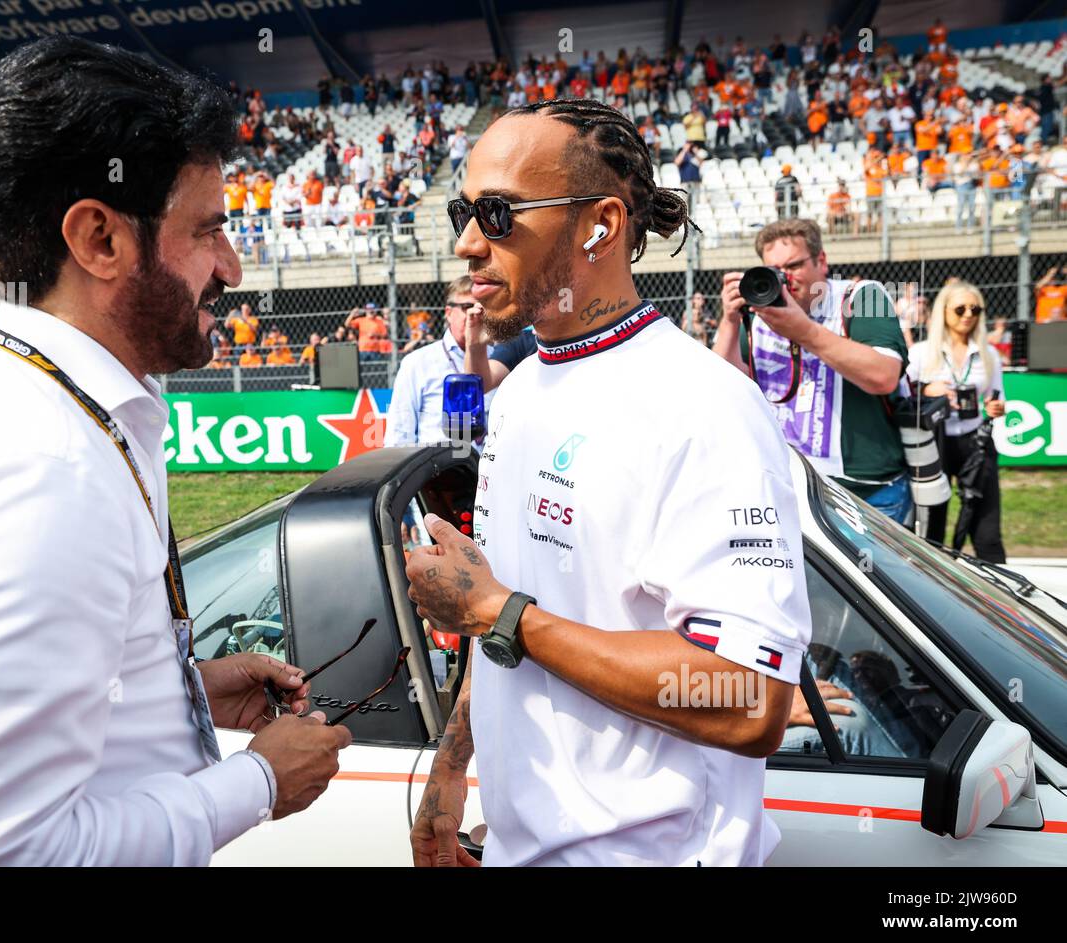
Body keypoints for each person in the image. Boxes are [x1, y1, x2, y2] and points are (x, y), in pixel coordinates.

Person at [0, 36, 348, 866]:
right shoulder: (39, 475)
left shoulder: (50, 414)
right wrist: (259, 784)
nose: (233, 267)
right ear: (100, 239)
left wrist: (177, 694)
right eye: (207, 231)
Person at [408, 99, 810, 868]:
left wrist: (499, 611)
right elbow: (507, 614)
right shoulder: (523, 386)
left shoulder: (703, 405)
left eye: (496, 213)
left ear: (600, 225)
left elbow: (750, 700)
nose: (465, 243)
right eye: (465, 210)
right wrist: (452, 768)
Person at [713, 219, 913, 525]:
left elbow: (884, 375)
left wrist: (803, 331)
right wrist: (729, 320)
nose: (785, 278)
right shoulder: (759, 311)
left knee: (863, 574)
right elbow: (723, 389)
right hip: (787, 487)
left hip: (863, 492)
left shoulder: (861, 296)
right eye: (775, 269)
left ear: (822, 261)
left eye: (794, 265)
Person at [906, 281, 1006, 561]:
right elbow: (900, 391)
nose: (968, 315)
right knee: (931, 529)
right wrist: (926, 388)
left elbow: (996, 397)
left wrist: (995, 407)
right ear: (943, 311)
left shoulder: (989, 354)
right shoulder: (922, 352)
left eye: (975, 309)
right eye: (960, 308)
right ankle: (929, 591)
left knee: (987, 532)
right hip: (932, 443)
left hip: (976, 442)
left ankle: (1004, 599)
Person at [384, 276, 476, 446]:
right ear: (448, 313)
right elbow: (399, 435)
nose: (475, 314)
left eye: (482, 307)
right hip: (441, 469)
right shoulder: (418, 362)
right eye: (467, 307)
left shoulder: (500, 360)